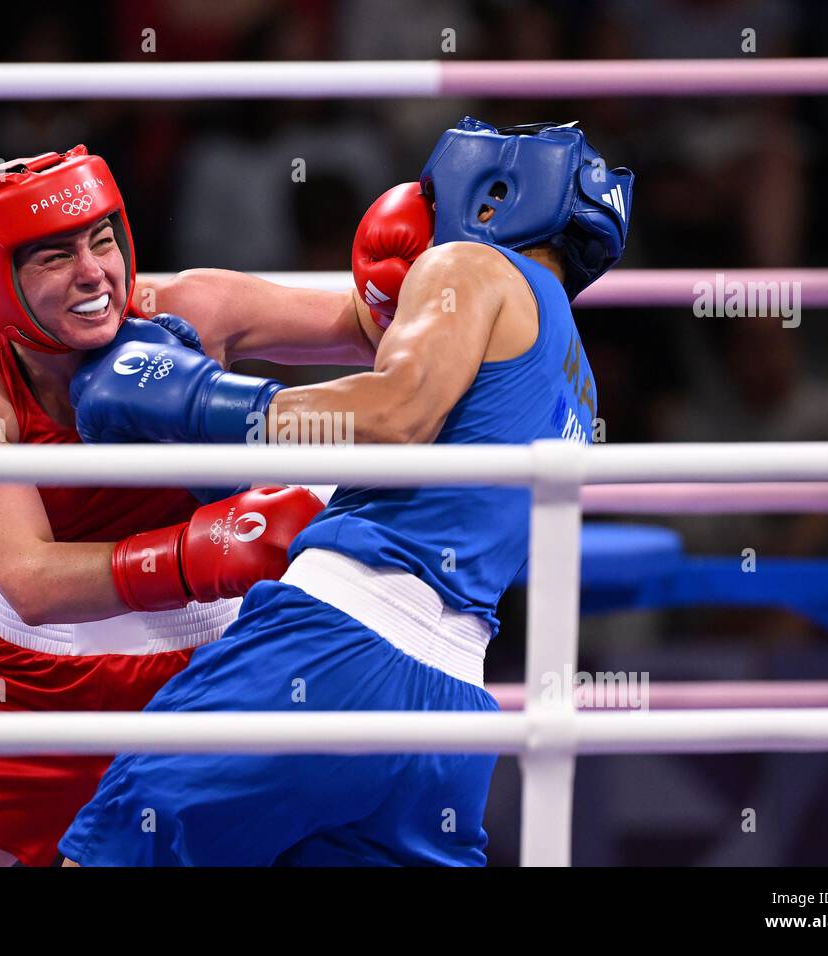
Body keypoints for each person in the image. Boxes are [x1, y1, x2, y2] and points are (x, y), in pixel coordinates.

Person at [59, 119, 634, 865]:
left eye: (433, 192)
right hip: (452, 712)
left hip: (331, 649)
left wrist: (205, 402)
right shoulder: (574, 384)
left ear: (492, 197)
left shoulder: (471, 265)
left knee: (106, 856)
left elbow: (396, 415)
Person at [0, 145, 374, 867]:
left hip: (217, 668)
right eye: (53, 255)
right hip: (36, 681)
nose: (93, 274)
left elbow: (373, 327)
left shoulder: (191, 308)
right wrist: (203, 551)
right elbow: (33, 581)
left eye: (102, 240)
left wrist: (459, 265)